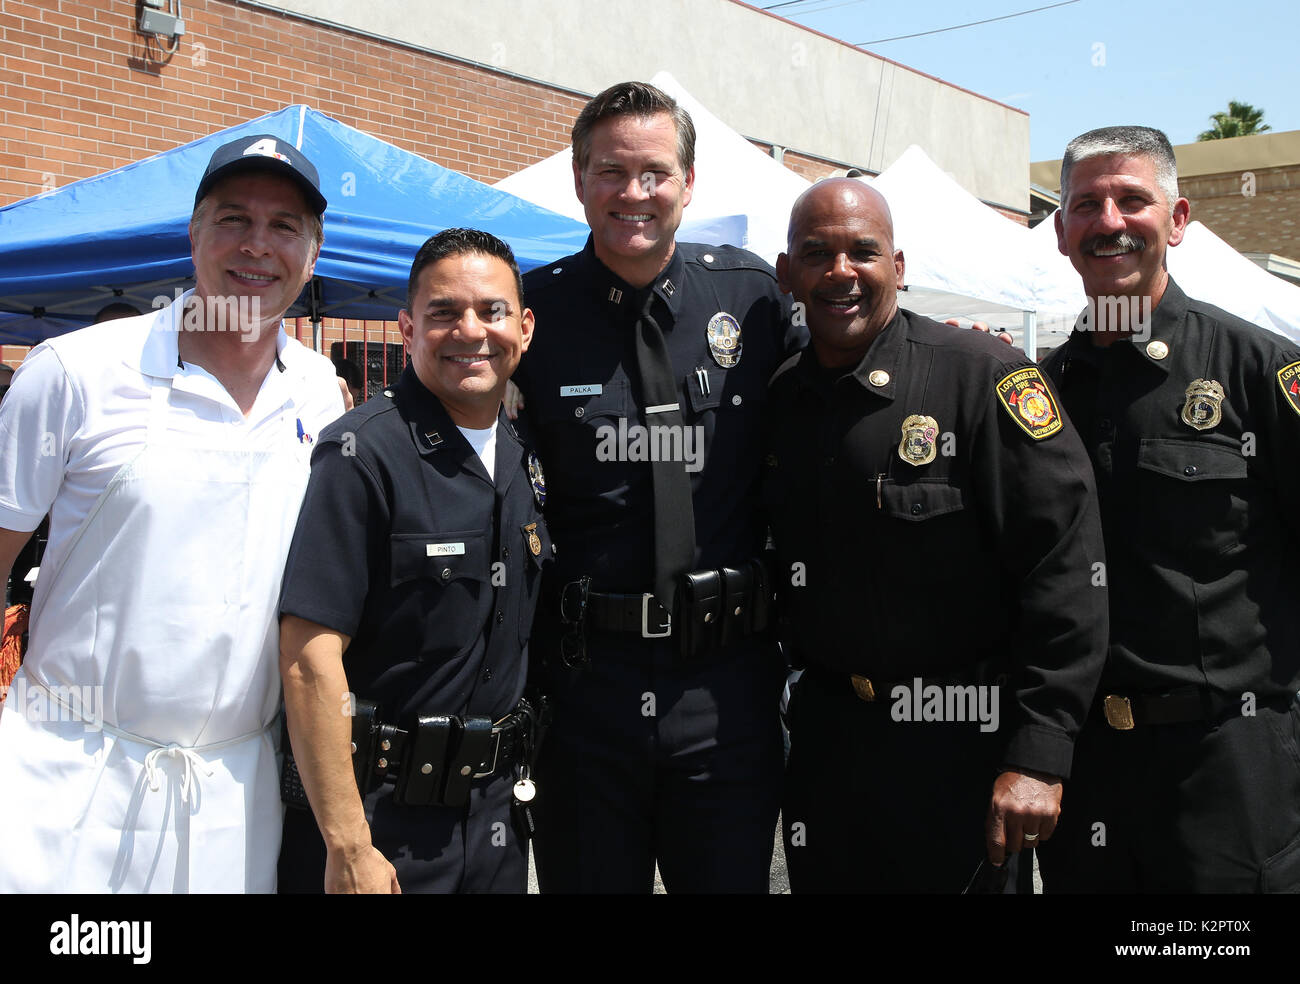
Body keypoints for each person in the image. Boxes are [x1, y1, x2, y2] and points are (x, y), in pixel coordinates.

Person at [0, 133, 344, 892]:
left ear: (313, 253)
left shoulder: (322, 392)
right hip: (61, 784)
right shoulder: (74, 373)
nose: (257, 246)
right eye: (233, 219)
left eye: (284, 226)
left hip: (233, 799)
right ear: (193, 235)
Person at [765, 178, 1108, 892]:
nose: (841, 272)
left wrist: (1040, 755)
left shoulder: (982, 378)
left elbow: (1066, 571)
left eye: (863, 251)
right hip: (829, 750)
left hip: (961, 753)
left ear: (899, 265)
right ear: (786, 273)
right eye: (816, 253)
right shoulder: (780, 399)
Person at [510, 80, 805, 893]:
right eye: (610, 172)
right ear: (579, 181)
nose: (632, 193)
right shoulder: (529, 314)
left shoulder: (750, 298)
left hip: (726, 682)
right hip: (585, 687)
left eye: (654, 173)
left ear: (689, 182)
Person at [1036, 126, 1300, 892]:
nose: (1110, 221)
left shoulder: (1261, 371)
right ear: (1061, 231)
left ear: (1177, 220)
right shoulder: (1039, 395)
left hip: (1229, 766)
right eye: (1086, 204)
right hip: (1087, 769)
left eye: (1132, 200)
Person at [277, 228, 548, 894]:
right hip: (380, 824)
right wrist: (348, 846)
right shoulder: (361, 456)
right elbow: (309, 657)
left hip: (493, 822)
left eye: (492, 310)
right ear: (406, 328)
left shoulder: (524, 457)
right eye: (443, 313)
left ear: (526, 326)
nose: (470, 330)